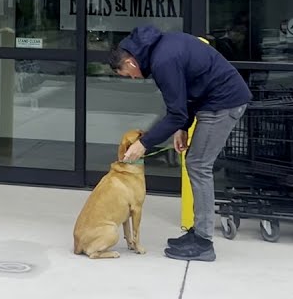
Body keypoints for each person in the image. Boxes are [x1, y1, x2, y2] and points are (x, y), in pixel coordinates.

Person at [108, 25, 253, 262]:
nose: (132, 78)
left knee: (199, 165)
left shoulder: (162, 60)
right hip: (212, 101)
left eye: (126, 74)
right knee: (196, 163)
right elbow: (189, 91)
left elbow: (176, 111)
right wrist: (183, 128)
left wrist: (144, 144)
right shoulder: (164, 47)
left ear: (131, 63)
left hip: (223, 103)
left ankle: (204, 242)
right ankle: (198, 232)